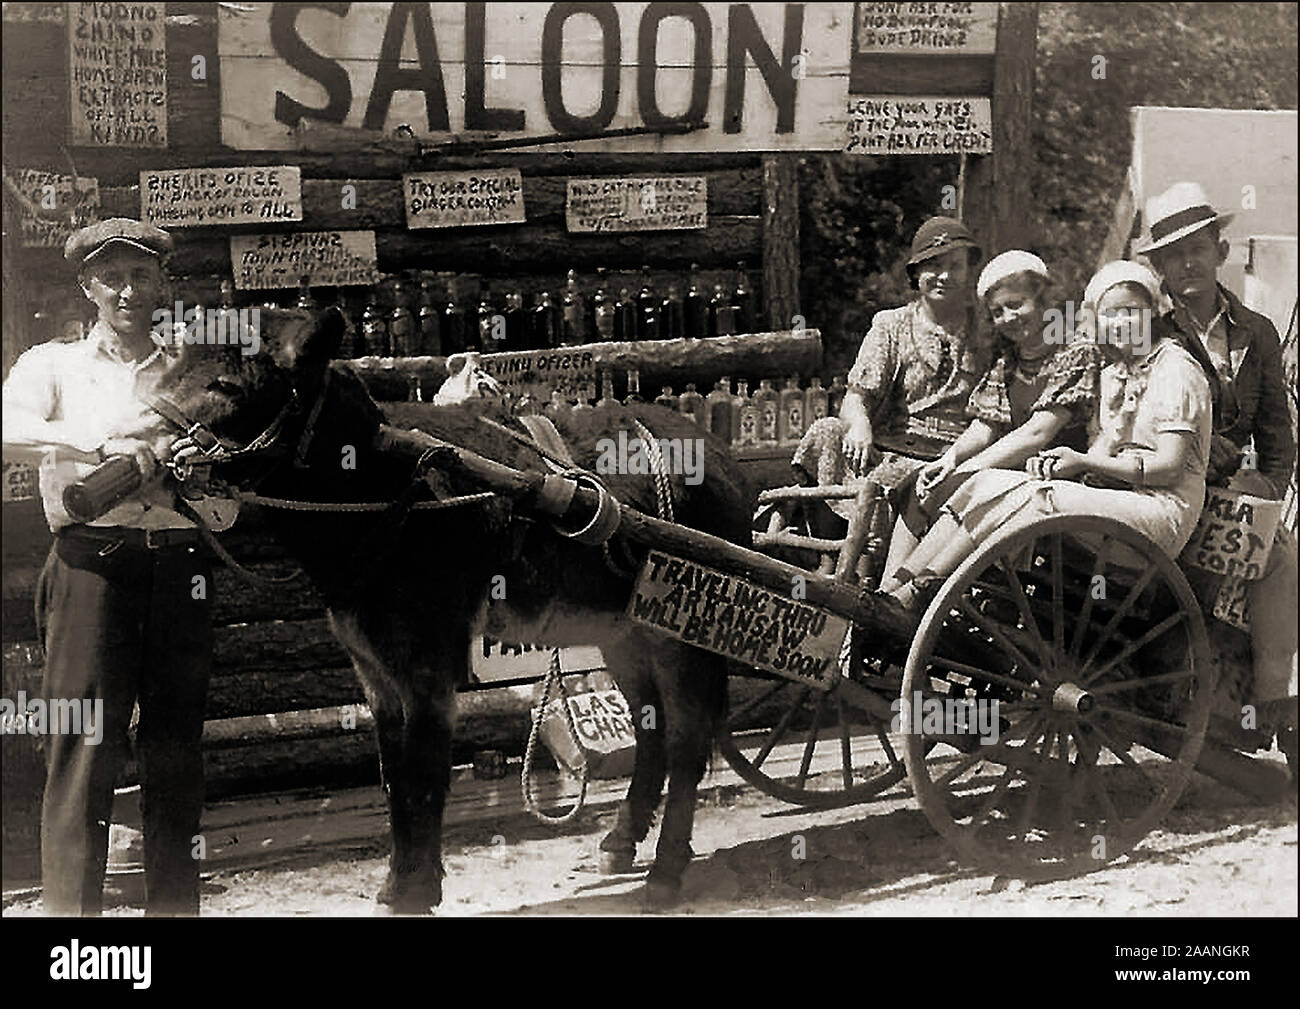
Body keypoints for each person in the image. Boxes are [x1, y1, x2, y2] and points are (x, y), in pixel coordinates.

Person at [1, 219, 214, 916]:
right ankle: (73, 928)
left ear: (162, 284)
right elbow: (8, 430)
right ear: (88, 286)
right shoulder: (51, 365)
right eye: (112, 277)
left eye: (142, 275)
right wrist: (97, 443)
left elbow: (228, 506)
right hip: (92, 567)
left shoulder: (191, 372)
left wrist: (199, 474)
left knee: (175, 750)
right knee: (84, 744)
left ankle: (176, 912)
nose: (128, 290)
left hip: (180, 567)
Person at [885, 261, 1213, 610]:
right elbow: (1102, 449)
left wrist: (1083, 462)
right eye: (1110, 315)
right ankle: (896, 587)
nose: (1121, 323)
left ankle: (923, 592)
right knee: (986, 485)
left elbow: (1169, 468)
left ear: (1154, 311)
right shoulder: (1117, 372)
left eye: (1132, 312)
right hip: (1120, 504)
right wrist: (1065, 466)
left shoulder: (1176, 369)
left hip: (1161, 513)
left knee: (1034, 498)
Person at [1138, 181, 1297, 733]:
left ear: (1220, 253)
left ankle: (1272, 715)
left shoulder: (1258, 332)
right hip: (1166, 486)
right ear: (1158, 267)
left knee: (1278, 559)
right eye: (1173, 256)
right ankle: (1201, 696)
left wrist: (1267, 498)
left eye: (1197, 250)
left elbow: (1278, 436)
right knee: (1277, 566)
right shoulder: (1152, 332)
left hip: (1236, 498)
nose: (1187, 265)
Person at [790, 217, 992, 570]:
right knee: (826, 432)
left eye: (955, 266)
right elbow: (857, 395)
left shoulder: (987, 331)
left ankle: (868, 573)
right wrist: (859, 425)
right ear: (916, 273)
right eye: (934, 266)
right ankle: (829, 553)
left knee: (886, 483)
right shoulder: (891, 324)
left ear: (969, 272)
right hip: (889, 447)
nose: (945, 276)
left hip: (952, 458)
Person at [883, 251, 1103, 572]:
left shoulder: (1076, 351)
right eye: (998, 312)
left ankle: (912, 589)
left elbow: (1038, 433)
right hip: (1010, 469)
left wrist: (968, 470)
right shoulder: (1008, 361)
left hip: (1056, 474)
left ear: (1043, 300)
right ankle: (887, 591)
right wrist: (951, 459)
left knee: (964, 488)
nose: (1008, 318)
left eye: (1016, 305)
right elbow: (984, 426)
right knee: (920, 483)